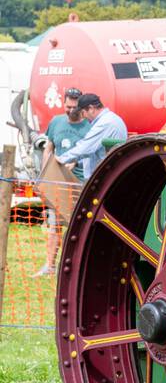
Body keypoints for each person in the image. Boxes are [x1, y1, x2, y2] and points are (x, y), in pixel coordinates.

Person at [34, 87, 91, 276]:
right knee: (54, 225)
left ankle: (75, 269)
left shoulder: (89, 127)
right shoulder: (56, 122)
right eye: (68, 106)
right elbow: (49, 148)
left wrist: (74, 161)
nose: (70, 111)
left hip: (80, 184)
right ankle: (49, 266)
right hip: (58, 182)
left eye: (74, 107)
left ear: (81, 106)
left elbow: (89, 150)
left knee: (78, 228)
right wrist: (44, 174)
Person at [56, 93, 127, 181]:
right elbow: (97, 153)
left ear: (91, 108)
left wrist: (62, 159)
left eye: (82, 113)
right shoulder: (108, 119)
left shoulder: (105, 123)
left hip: (106, 178)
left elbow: (86, 147)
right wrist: (77, 163)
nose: (83, 117)